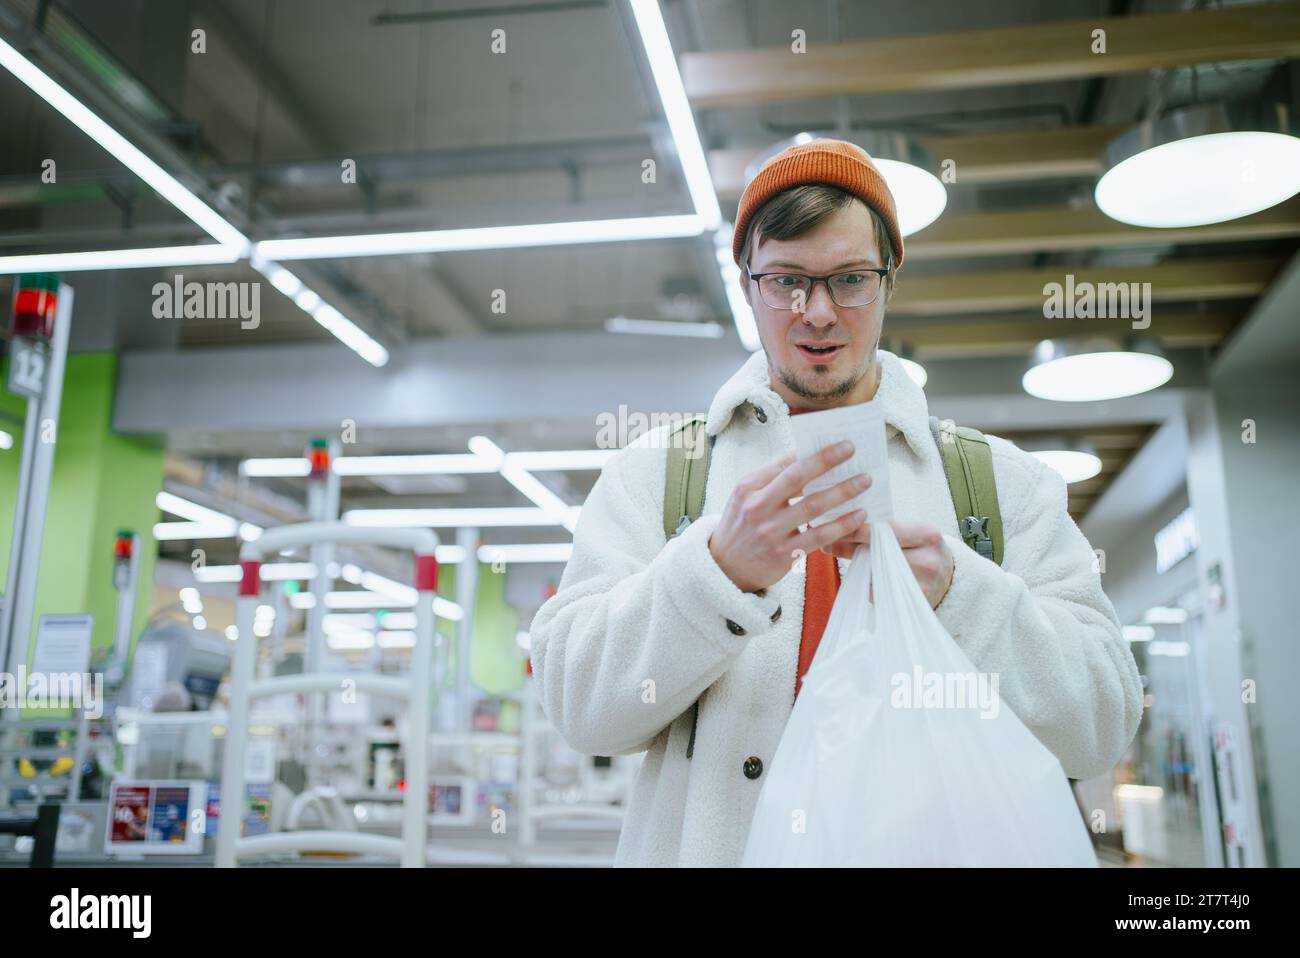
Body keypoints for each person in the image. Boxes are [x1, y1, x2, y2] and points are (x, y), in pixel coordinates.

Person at [529, 138, 1143, 867]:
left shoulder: (999, 485)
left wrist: (959, 596)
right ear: (746, 283)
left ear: (889, 281)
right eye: (785, 280)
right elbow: (577, 708)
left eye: (849, 278)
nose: (816, 312)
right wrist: (715, 575)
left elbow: (1103, 721)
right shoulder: (656, 476)